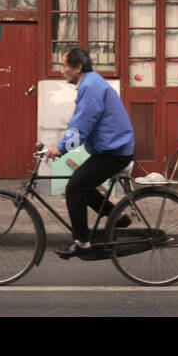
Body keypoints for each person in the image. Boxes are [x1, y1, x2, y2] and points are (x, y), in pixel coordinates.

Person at [44, 46, 136, 258]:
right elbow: (82, 123)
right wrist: (62, 144)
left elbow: (81, 127)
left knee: (74, 187)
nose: (61, 70)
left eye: (64, 65)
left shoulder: (91, 86)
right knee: (82, 186)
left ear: (78, 67)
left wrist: (60, 148)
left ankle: (82, 242)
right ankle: (116, 217)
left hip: (115, 151)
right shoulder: (91, 82)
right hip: (113, 148)